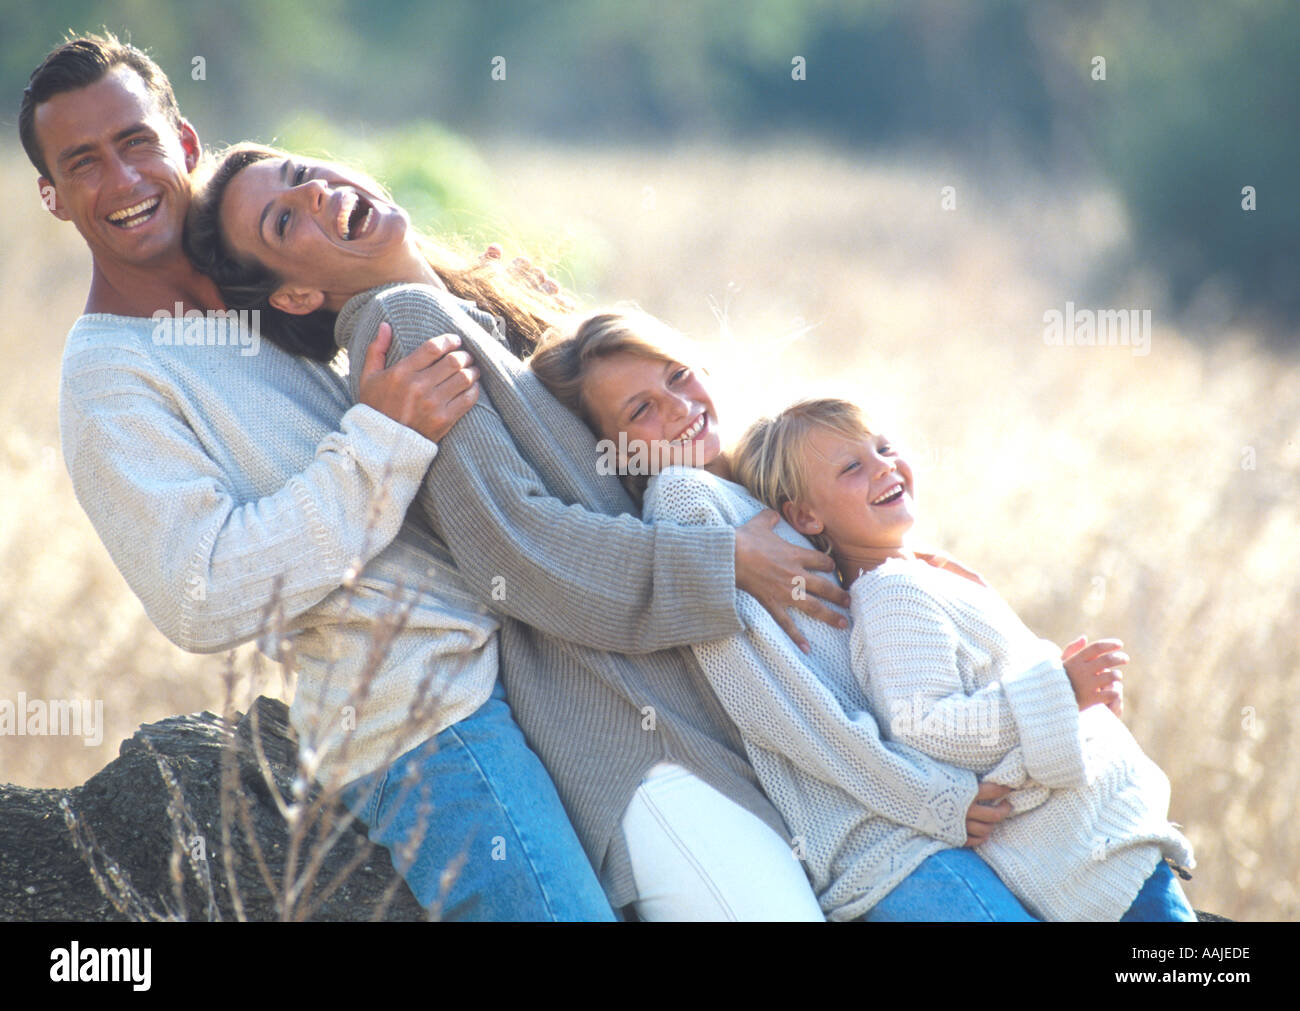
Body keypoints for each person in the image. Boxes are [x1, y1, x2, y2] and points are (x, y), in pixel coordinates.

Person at [183, 142, 1026, 921]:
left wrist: (869, 557)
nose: (314, 192)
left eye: (300, 171)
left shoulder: (461, 308)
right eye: (283, 219)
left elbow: (654, 465)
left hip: (694, 736)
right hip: (638, 749)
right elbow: (517, 548)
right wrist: (724, 558)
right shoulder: (398, 322)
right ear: (294, 293)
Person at [22, 32, 614, 920]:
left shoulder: (269, 272)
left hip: (538, 670)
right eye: (84, 163)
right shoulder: (111, 379)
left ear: (184, 144)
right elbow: (201, 592)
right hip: (423, 720)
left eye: (136, 142)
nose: (123, 180)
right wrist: (381, 438)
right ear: (54, 197)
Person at [528, 309, 1196, 921]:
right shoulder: (686, 503)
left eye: (679, 375)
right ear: (611, 447)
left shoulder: (749, 490)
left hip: (940, 822)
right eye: (643, 408)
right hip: (890, 841)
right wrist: (931, 799)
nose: (679, 406)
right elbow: (779, 706)